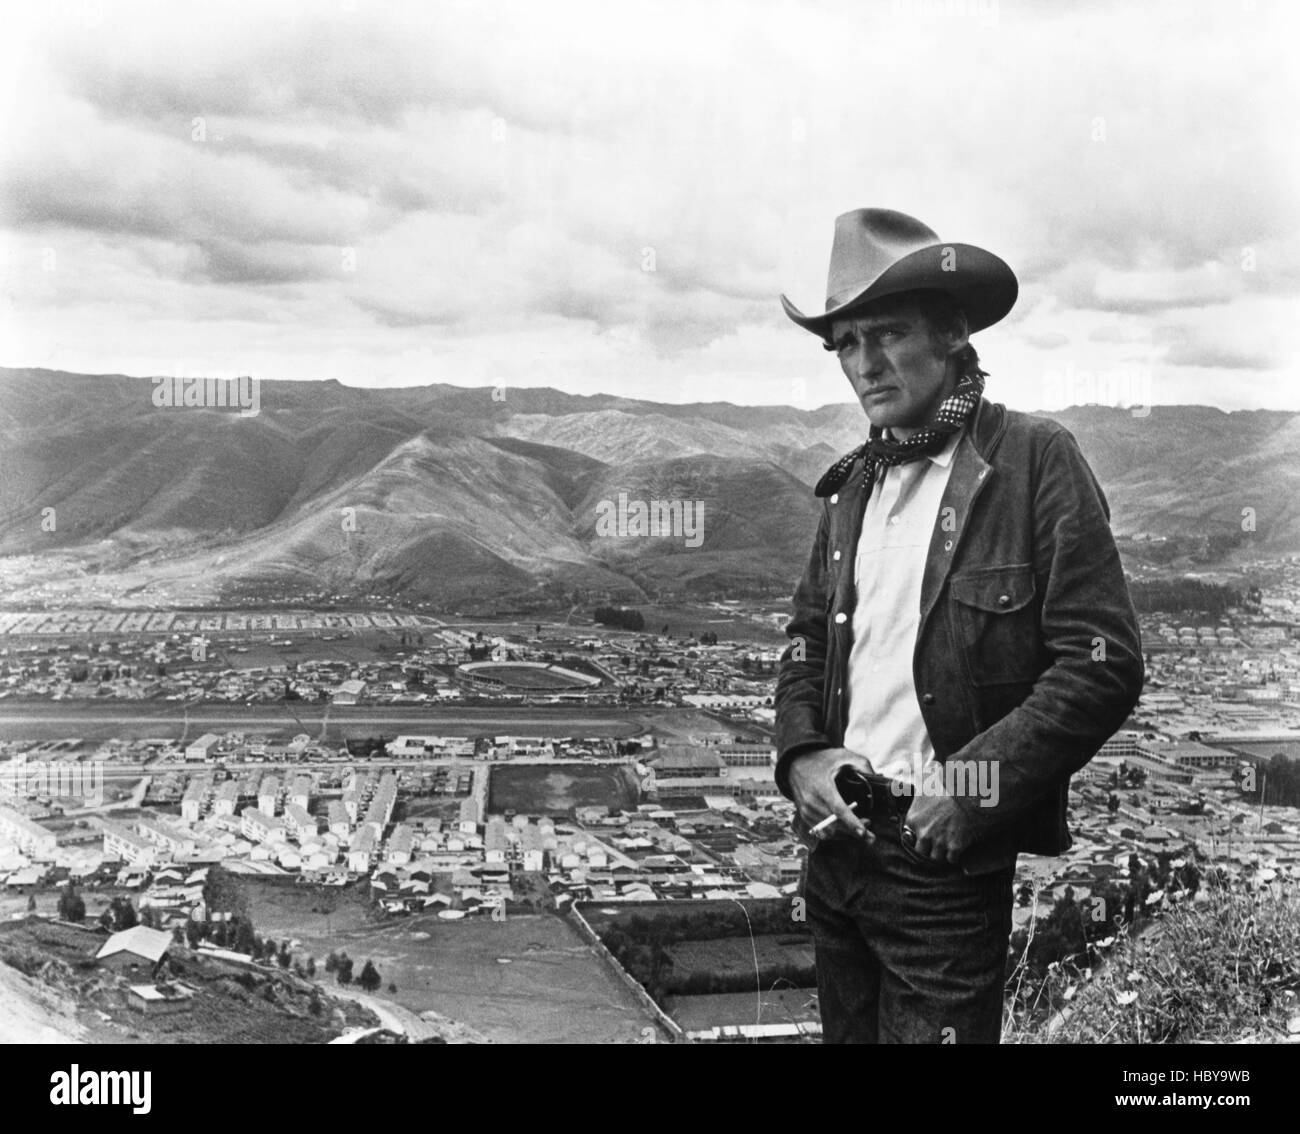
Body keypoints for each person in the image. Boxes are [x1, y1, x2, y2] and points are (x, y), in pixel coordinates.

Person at [774, 207, 1144, 1043]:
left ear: (949, 334)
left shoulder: (1034, 461)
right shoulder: (854, 488)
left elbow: (1102, 661)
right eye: (847, 343)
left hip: (942, 862)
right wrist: (803, 755)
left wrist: (970, 789)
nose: (865, 365)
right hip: (839, 845)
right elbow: (808, 641)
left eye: (887, 335)